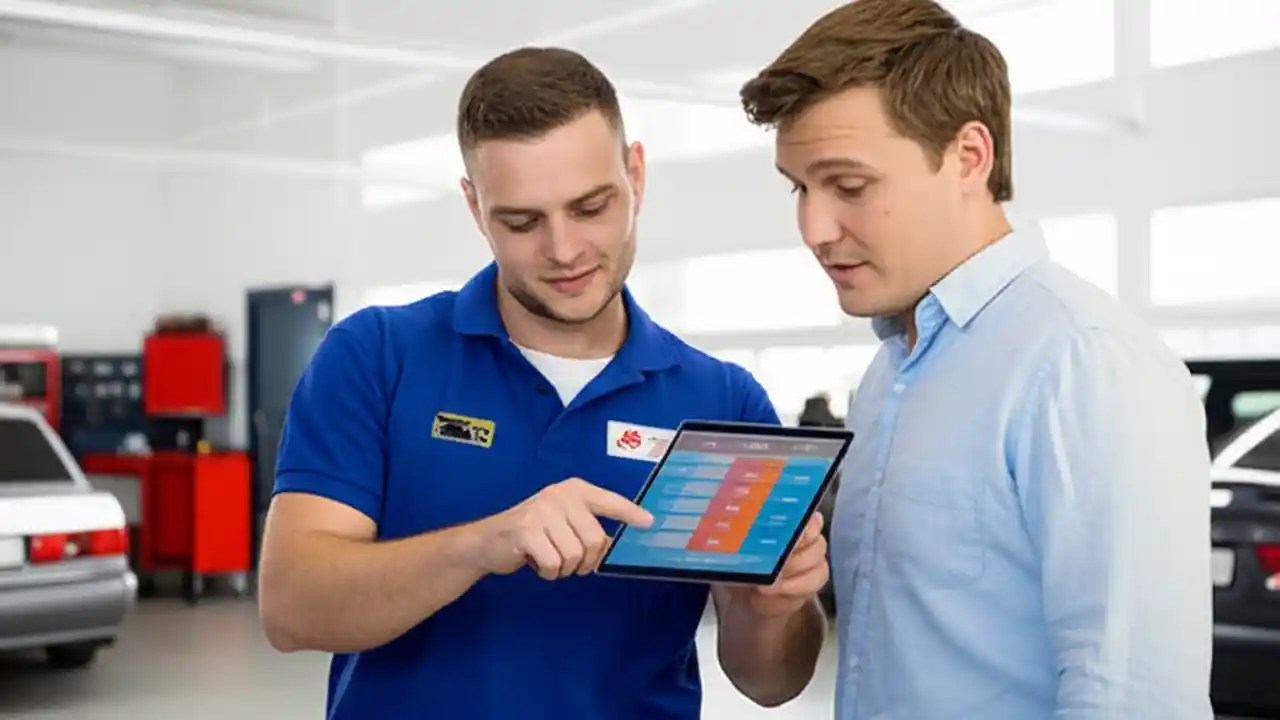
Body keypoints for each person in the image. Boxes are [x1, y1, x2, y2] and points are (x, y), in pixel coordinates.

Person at [257, 46, 829, 720]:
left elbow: (771, 682)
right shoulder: (376, 355)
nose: (563, 250)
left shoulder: (722, 404)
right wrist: (483, 544)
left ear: (636, 176)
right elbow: (293, 608)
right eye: (523, 222)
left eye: (590, 208)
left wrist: (774, 609)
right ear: (475, 207)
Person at [738, 1, 1213, 718]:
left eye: (850, 186)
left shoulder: (1082, 365)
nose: (813, 228)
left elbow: (1133, 697)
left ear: (968, 157)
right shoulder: (889, 374)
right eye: (800, 187)